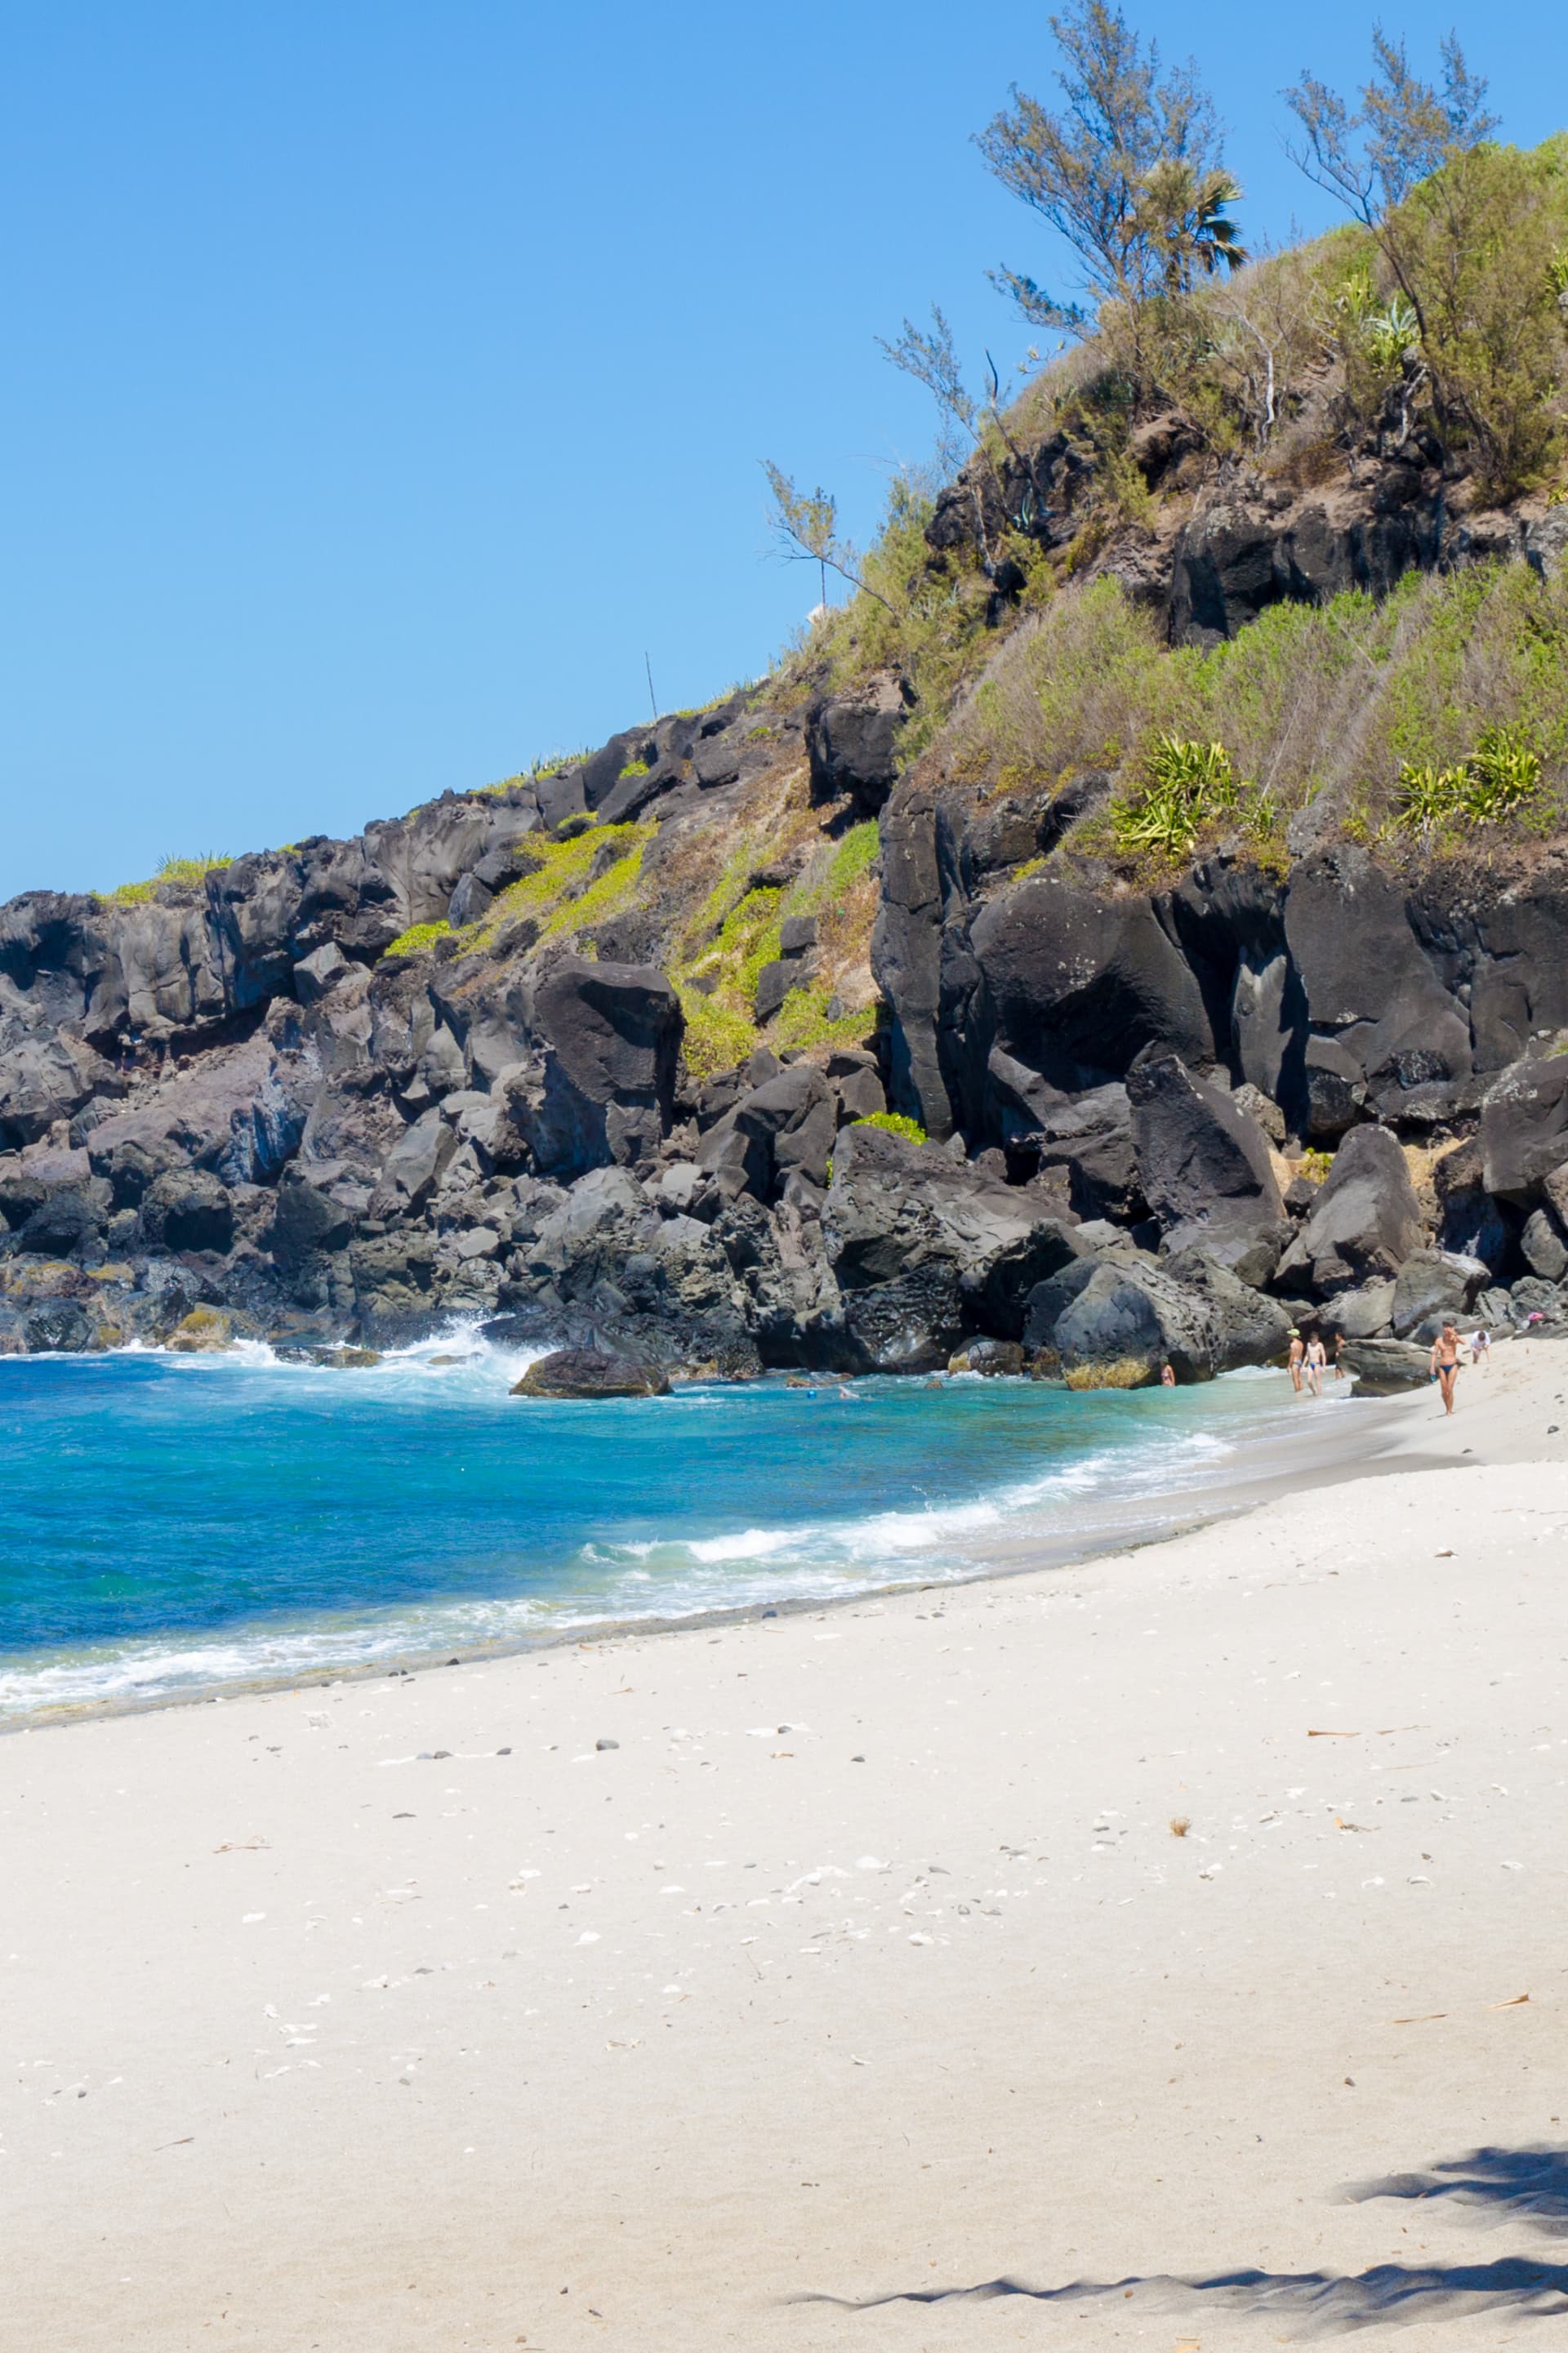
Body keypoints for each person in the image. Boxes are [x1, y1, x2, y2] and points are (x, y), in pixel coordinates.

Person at [1430, 1321, 1463, 1415]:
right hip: (1442, 1367)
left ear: (1452, 1328)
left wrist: (1455, 1334)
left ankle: (1449, 1411)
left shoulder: (1454, 1339)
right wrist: (1432, 1367)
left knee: (1449, 1388)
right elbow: (1435, 1354)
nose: (1445, 1329)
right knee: (1444, 1392)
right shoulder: (1439, 1340)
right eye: (1444, 1327)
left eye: (1447, 1327)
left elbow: (1464, 1342)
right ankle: (1447, 1408)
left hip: (1453, 1365)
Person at [1304, 1332, 1327, 1397]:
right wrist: (1303, 1365)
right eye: (1314, 1339)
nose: (1316, 1340)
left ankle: (1319, 1395)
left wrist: (1324, 1367)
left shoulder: (1320, 1345)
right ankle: (1313, 1391)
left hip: (1317, 1364)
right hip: (1310, 1364)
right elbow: (1307, 1355)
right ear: (1311, 1339)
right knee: (1309, 1381)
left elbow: (1323, 1356)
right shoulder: (1308, 1345)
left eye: (1317, 1339)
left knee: (1317, 1381)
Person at [1287, 1328, 1304, 1393]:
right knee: (1299, 1378)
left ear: (1292, 1335)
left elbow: (1292, 1356)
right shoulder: (1301, 1343)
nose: (1289, 1336)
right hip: (1299, 1362)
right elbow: (1301, 1354)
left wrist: (1289, 1366)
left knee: (1295, 1379)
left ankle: (1298, 1394)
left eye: (1290, 1335)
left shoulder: (1293, 1344)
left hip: (1295, 1362)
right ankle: (1301, 1392)